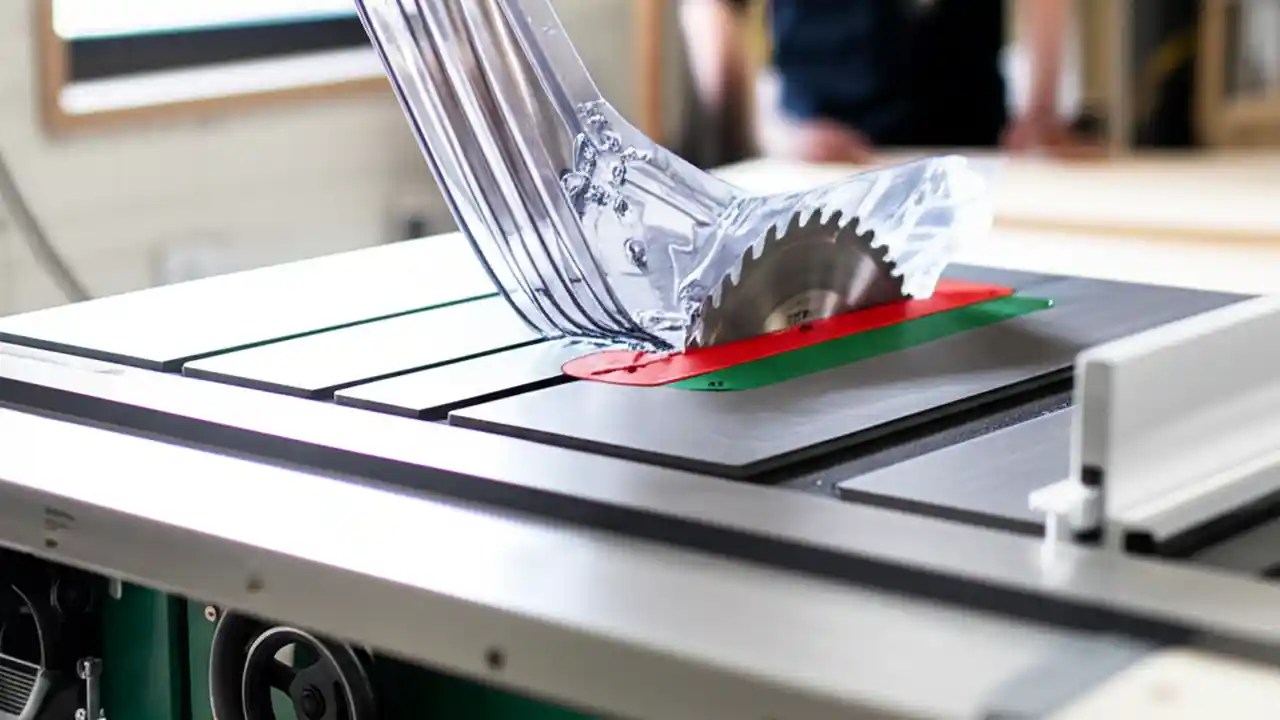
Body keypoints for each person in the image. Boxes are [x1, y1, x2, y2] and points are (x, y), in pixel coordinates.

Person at [679, 0, 1090, 164]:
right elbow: (713, 9)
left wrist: (1041, 109)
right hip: (817, 157)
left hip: (971, 151)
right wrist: (766, 134)